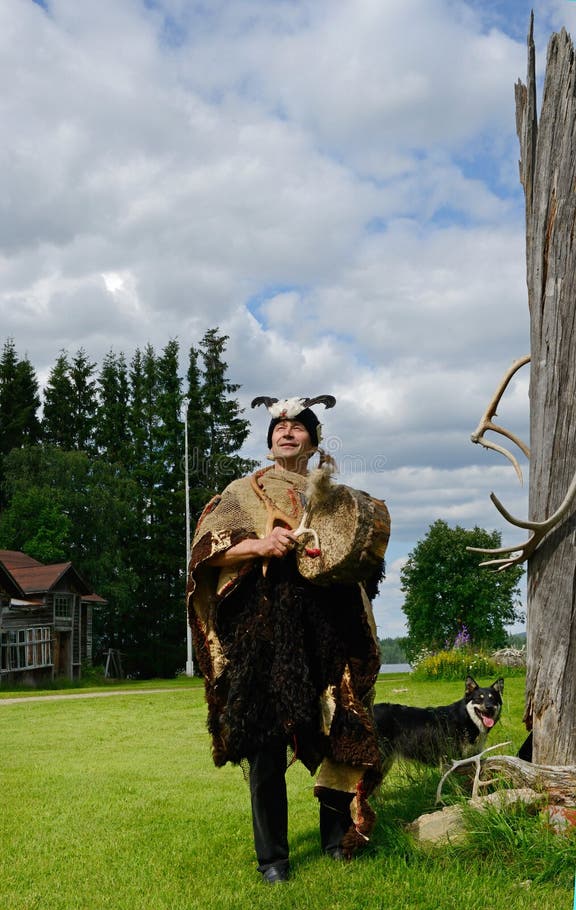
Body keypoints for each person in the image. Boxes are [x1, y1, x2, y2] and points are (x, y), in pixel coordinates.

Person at [187, 395, 387, 884]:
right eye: (279, 427)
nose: (287, 431)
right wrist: (261, 544)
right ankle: (273, 860)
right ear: (270, 442)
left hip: (328, 626)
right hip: (265, 630)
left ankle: (336, 842)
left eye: (298, 426)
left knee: (341, 729)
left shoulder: (335, 498)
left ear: (314, 443)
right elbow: (204, 552)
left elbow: (364, 558)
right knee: (265, 739)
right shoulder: (243, 492)